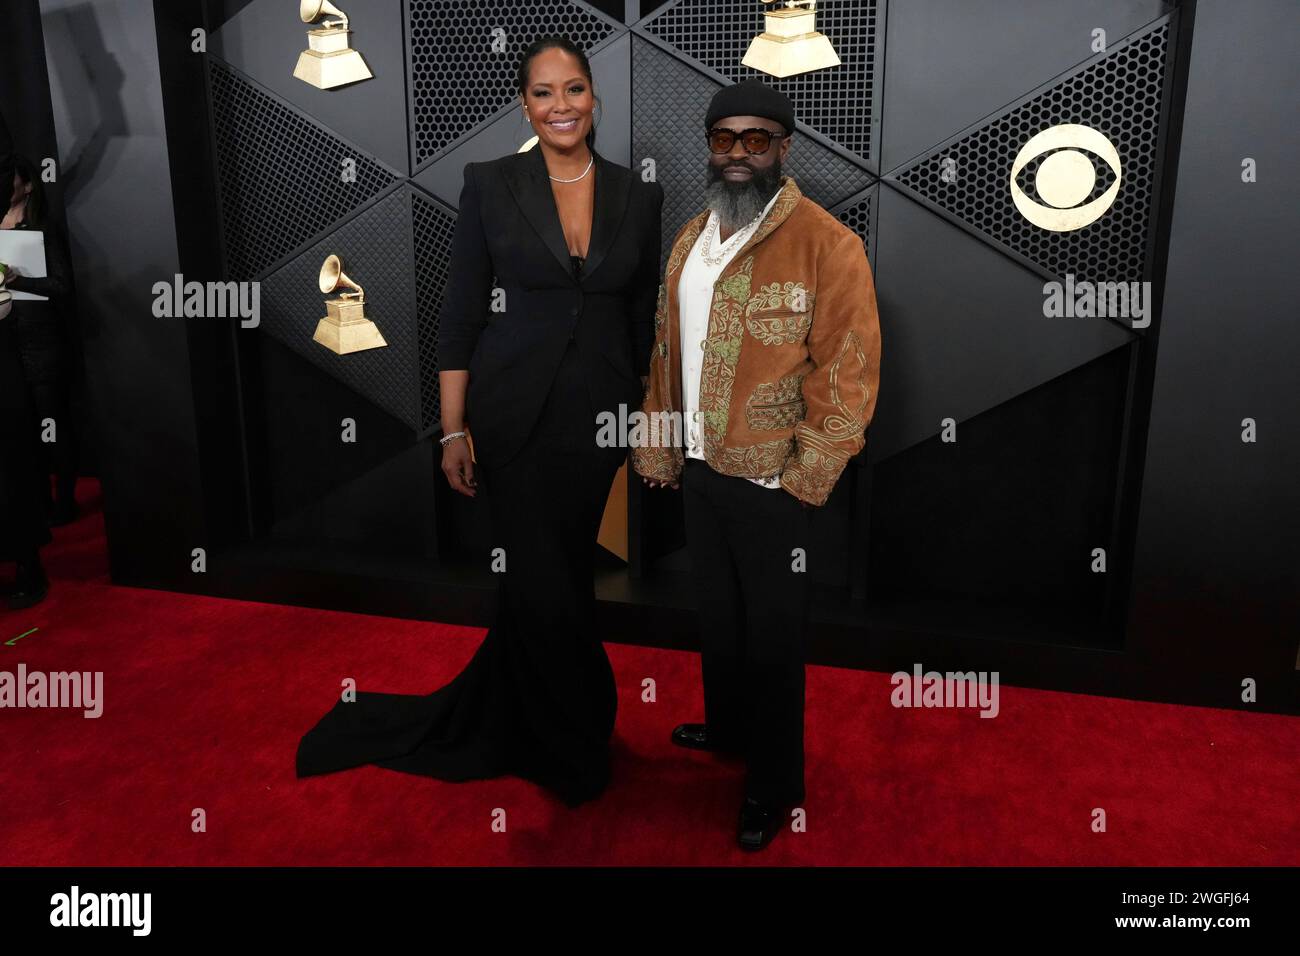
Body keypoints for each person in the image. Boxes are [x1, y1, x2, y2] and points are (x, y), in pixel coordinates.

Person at [296, 37, 665, 807]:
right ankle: (571, 739)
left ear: (595, 97)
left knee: (563, 574)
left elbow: (641, 318)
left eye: (574, 89)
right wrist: (454, 429)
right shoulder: (491, 184)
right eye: (543, 92)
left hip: (596, 420)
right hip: (509, 420)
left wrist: (643, 415)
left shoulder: (639, 195)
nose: (561, 105)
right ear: (525, 104)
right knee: (541, 579)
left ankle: (532, 716)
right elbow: (462, 313)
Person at [632, 79, 882, 850]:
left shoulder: (827, 243)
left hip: (773, 482)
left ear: (784, 147)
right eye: (724, 138)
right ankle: (731, 732)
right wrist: (662, 446)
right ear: (708, 146)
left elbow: (849, 369)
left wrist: (804, 478)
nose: (738, 153)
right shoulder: (692, 235)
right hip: (704, 473)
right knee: (720, 620)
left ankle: (772, 786)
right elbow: (667, 350)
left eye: (757, 139)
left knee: (773, 639)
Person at [0, 152, 79, 526]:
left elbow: (63, 286)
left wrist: (21, 281)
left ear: (27, 186)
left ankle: (64, 501)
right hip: (7, 344)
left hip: (42, 345)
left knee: (53, 427)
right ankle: (38, 503)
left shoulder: (43, 230)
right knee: (24, 432)